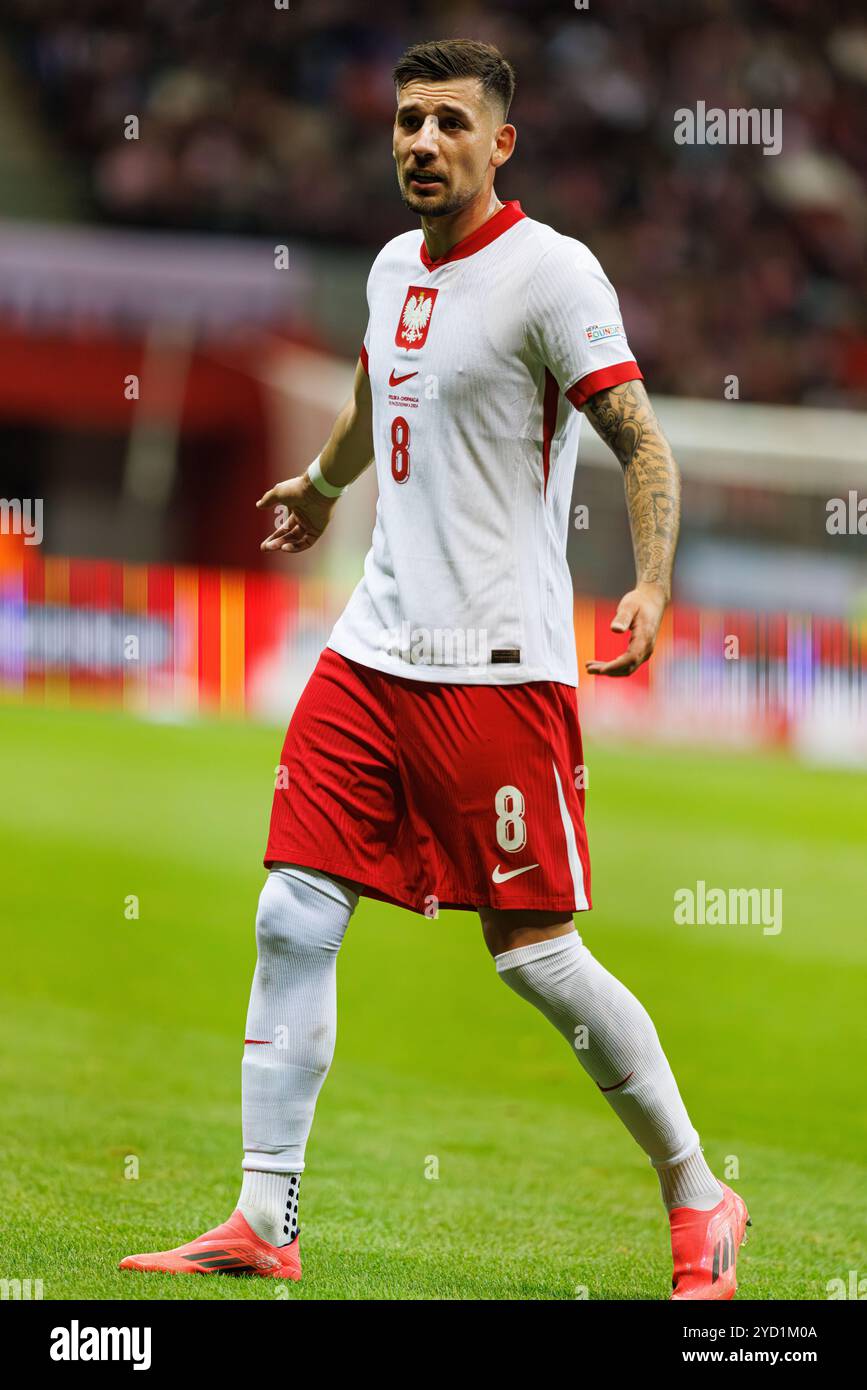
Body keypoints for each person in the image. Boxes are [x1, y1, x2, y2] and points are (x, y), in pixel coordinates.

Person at [120, 38, 749, 1299]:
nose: (421, 142)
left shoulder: (553, 275)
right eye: (407, 120)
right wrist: (321, 483)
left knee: (535, 958)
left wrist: (650, 581)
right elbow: (372, 391)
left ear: (499, 142)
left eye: (449, 123)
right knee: (292, 911)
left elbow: (642, 442)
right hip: (371, 649)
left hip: (499, 668)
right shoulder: (393, 265)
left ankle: (697, 1189)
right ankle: (263, 1216)